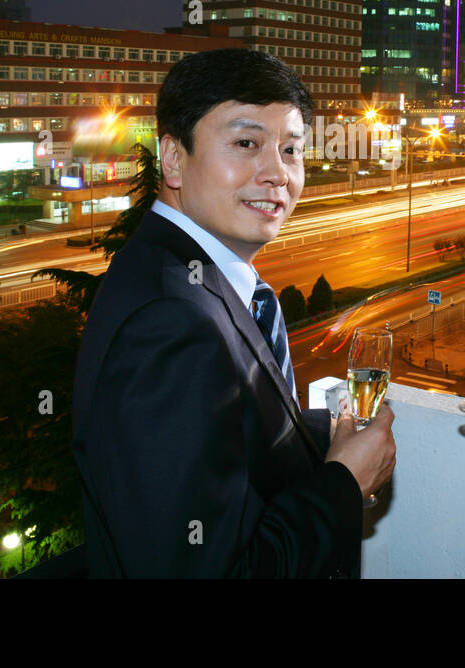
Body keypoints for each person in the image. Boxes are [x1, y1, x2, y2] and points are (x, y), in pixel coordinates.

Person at [72, 49, 395, 577]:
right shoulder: (171, 323)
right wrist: (341, 484)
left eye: (291, 150)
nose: (277, 174)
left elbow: (221, 432)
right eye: (246, 143)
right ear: (173, 159)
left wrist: (317, 432)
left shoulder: (179, 271)